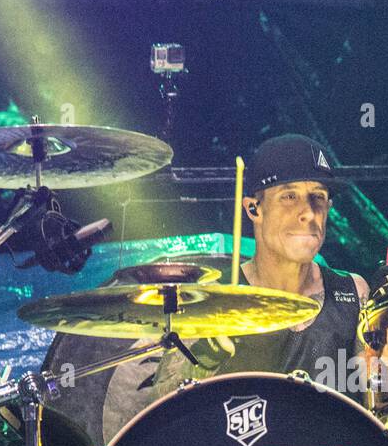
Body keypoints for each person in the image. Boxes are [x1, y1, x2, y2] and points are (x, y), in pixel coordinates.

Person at [128, 133, 369, 404]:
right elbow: (161, 401)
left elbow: (379, 403)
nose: (309, 213)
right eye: (289, 196)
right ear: (254, 209)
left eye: (319, 198)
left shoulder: (353, 291)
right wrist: (207, 355)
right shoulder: (213, 297)